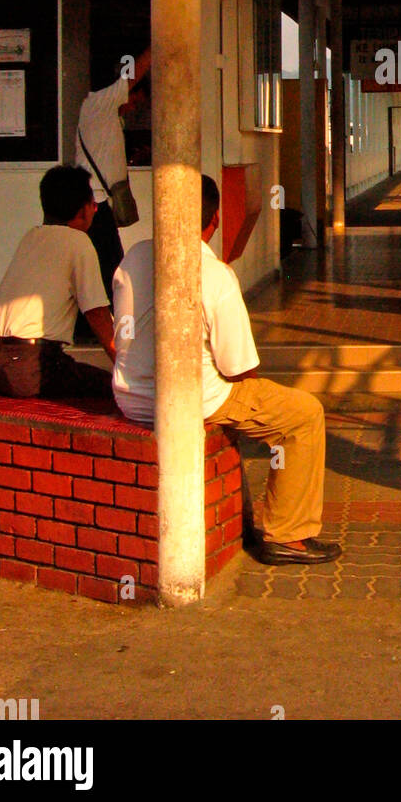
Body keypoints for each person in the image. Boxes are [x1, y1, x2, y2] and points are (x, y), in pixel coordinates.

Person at [112, 175, 342, 567]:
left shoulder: (133, 256)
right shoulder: (216, 275)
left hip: (129, 397)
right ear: (214, 219)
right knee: (303, 416)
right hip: (193, 402)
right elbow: (238, 369)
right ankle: (288, 534)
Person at [0, 165, 115, 399]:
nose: (95, 210)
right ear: (83, 210)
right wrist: (125, 368)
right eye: (93, 204)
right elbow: (97, 314)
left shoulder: (31, 236)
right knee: (112, 389)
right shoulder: (78, 242)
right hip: (31, 367)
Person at [75, 47, 151, 307]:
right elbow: (133, 75)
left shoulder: (107, 116)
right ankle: (103, 324)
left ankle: (102, 322)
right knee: (109, 266)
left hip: (98, 203)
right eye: (134, 100)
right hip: (92, 204)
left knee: (106, 265)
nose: (132, 108)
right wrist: (156, 45)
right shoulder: (99, 103)